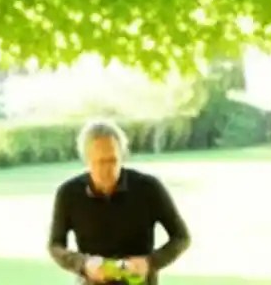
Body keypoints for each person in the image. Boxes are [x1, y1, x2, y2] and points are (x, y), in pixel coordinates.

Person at [47, 119, 191, 284]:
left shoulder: (148, 188)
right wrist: (83, 264)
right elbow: (55, 245)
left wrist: (150, 262)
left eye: (112, 160)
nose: (107, 170)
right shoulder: (69, 193)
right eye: (100, 162)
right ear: (87, 160)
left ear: (122, 156)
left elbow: (181, 237)